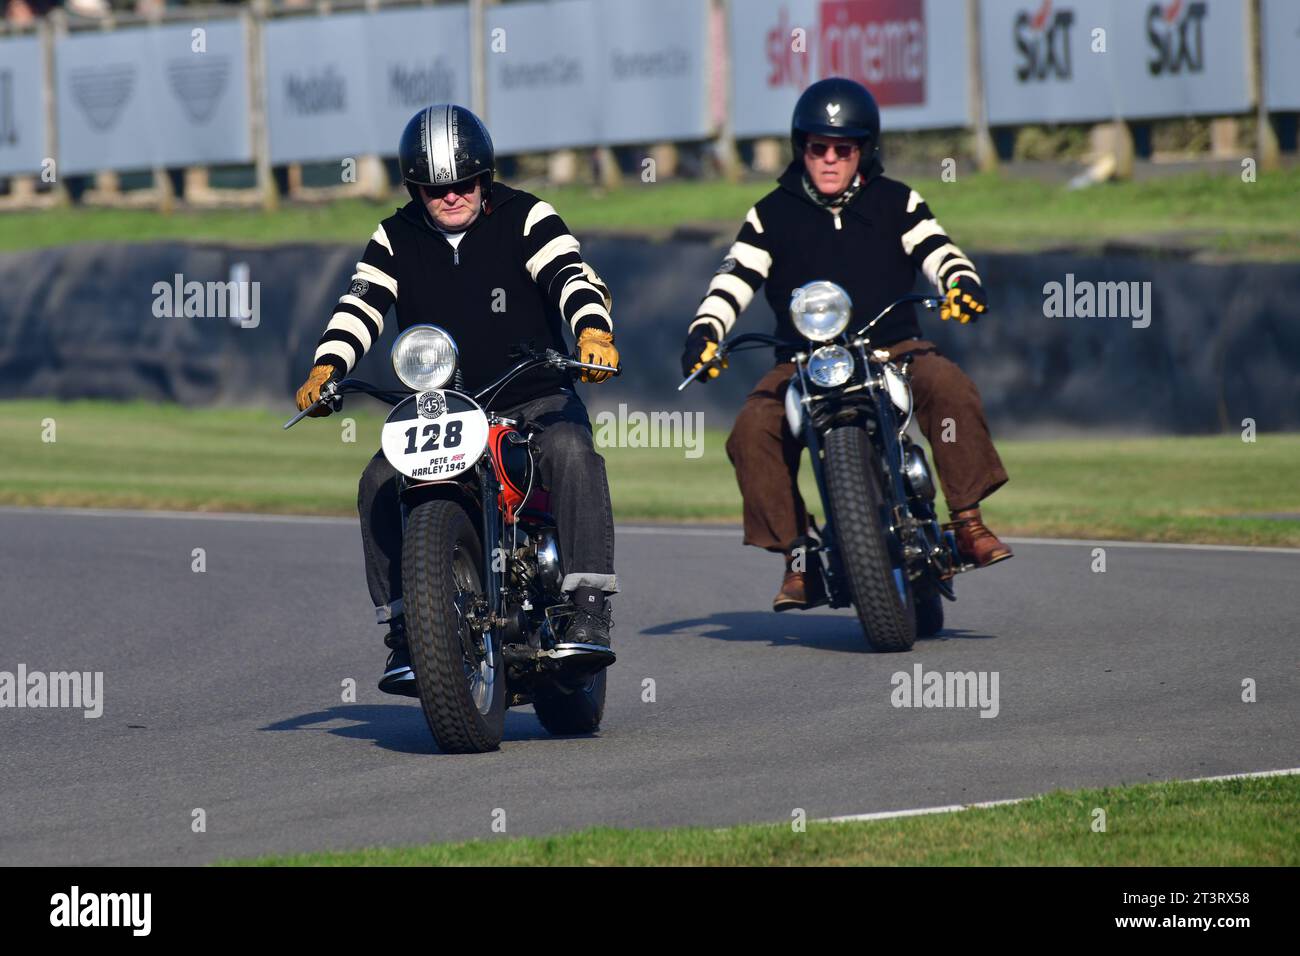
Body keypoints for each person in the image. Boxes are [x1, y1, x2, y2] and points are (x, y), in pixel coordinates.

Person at [295, 104, 620, 695]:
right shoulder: (395, 235)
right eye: (434, 187)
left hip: (534, 392)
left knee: (572, 450)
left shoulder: (528, 215)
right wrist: (327, 366)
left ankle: (587, 604)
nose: (450, 197)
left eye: (462, 183)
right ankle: (403, 631)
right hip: (439, 408)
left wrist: (591, 332)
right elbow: (359, 306)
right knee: (375, 481)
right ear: (416, 188)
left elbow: (573, 277)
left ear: (485, 177)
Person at [681, 77, 1012, 613]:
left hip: (893, 349)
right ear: (801, 149)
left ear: (864, 150)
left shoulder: (898, 200)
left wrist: (960, 282)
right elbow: (732, 279)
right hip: (801, 361)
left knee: (948, 384)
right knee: (750, 431)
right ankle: (798, 557)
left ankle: (968, 521)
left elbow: (940, 250)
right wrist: (706, 332)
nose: (830, 160)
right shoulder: (771, 213)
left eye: (844, 148)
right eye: (818, 148)